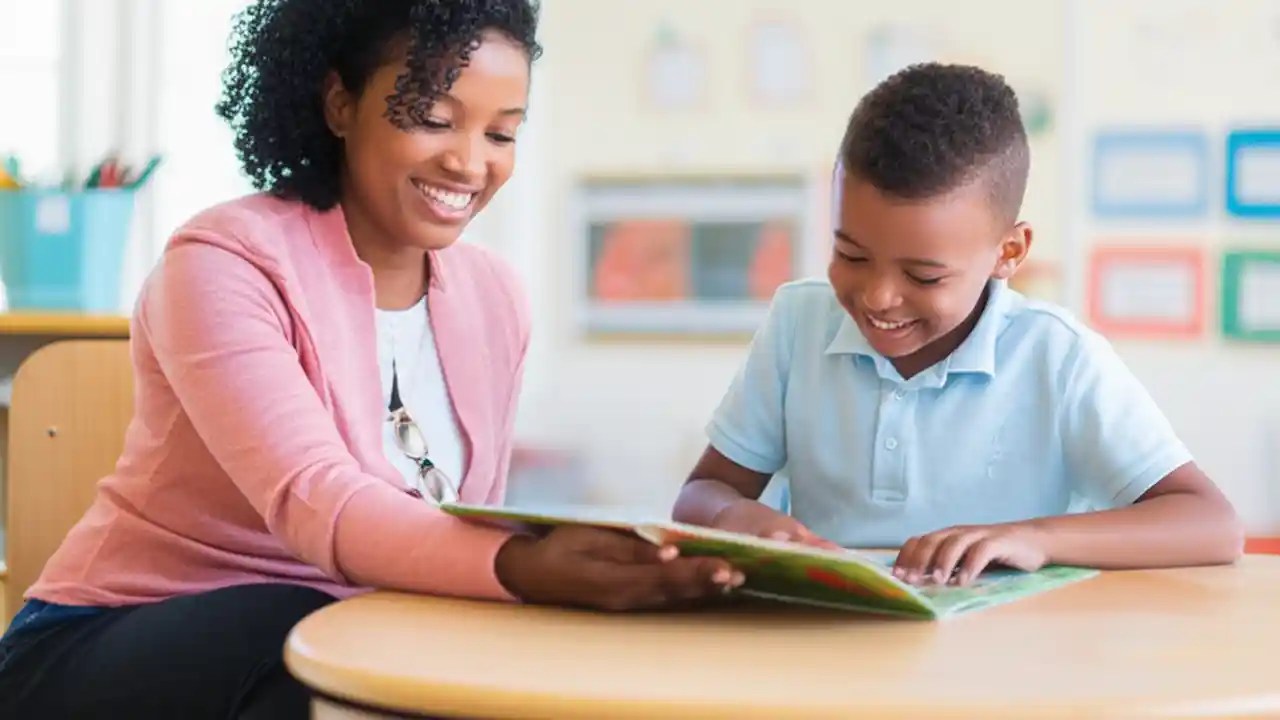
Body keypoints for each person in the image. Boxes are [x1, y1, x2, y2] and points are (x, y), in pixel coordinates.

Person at [0, 2, 741, 717]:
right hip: (105, 648)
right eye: (433, 118)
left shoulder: (494, 297)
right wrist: (521, 566)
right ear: (339, 103)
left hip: (358, 639)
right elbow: (317, 500)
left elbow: (461, 524)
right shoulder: (225, 262)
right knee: (310, 649)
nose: (469, 161)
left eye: (502, 134)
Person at [673, 63, 1243, 588]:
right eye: (850, 254)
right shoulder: (798, 324)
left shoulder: (1055, 356)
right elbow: (702, 492)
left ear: (1009, 251)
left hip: (1007, 667)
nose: (877, 296)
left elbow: (1211, 524)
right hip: (834, 650)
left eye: (923, 276)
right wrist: (737, 515)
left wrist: (1034, 538)